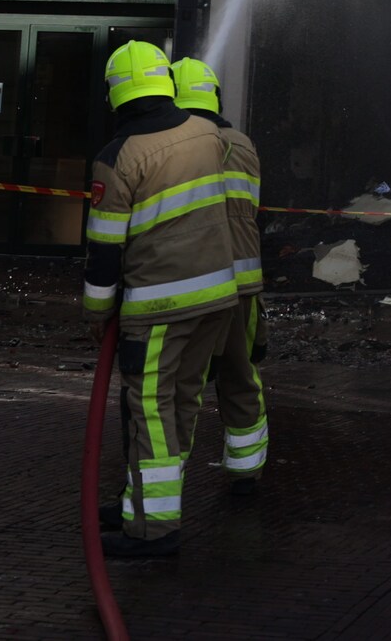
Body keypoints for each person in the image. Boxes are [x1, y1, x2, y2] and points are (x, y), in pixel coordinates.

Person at [84, 39, 240, 559]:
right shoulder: (208, 134)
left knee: (148, 408)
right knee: (184, 403)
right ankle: (144, 506)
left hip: (157, 308)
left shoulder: (118, 157)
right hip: (218, 296)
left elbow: (104, 250)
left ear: (117, 92)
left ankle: (155, 528)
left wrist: (96, 311)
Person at [170, 56, 268, 496]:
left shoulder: (178, 145)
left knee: (179, 386)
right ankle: (245, 472)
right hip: (244, 285)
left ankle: (163, 482)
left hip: (196, 283)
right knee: (240, 377)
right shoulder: (242, 144)